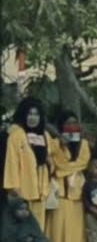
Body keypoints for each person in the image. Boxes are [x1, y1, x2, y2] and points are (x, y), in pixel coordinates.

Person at [4, 98, 56, 233]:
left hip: (41, 193)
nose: (33, 118)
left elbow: (50, 160)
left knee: (39, 231)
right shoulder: (16, 136)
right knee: (22, 233)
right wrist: (13, 188)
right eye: (30, 114)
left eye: (36, 114)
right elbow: (12, 163)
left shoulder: (45, 136)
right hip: (23, 194)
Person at [50, 112, 91, 242]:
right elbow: (56, 163)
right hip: (59, 192)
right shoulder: (55, 143)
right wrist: (62, 144)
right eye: (68, 123)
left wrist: (62, 170)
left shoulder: (84, 144)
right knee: (58, 229)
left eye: (74, 122)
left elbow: (83, 163)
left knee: (76, 229)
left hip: (76, 192)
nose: (72, 126)